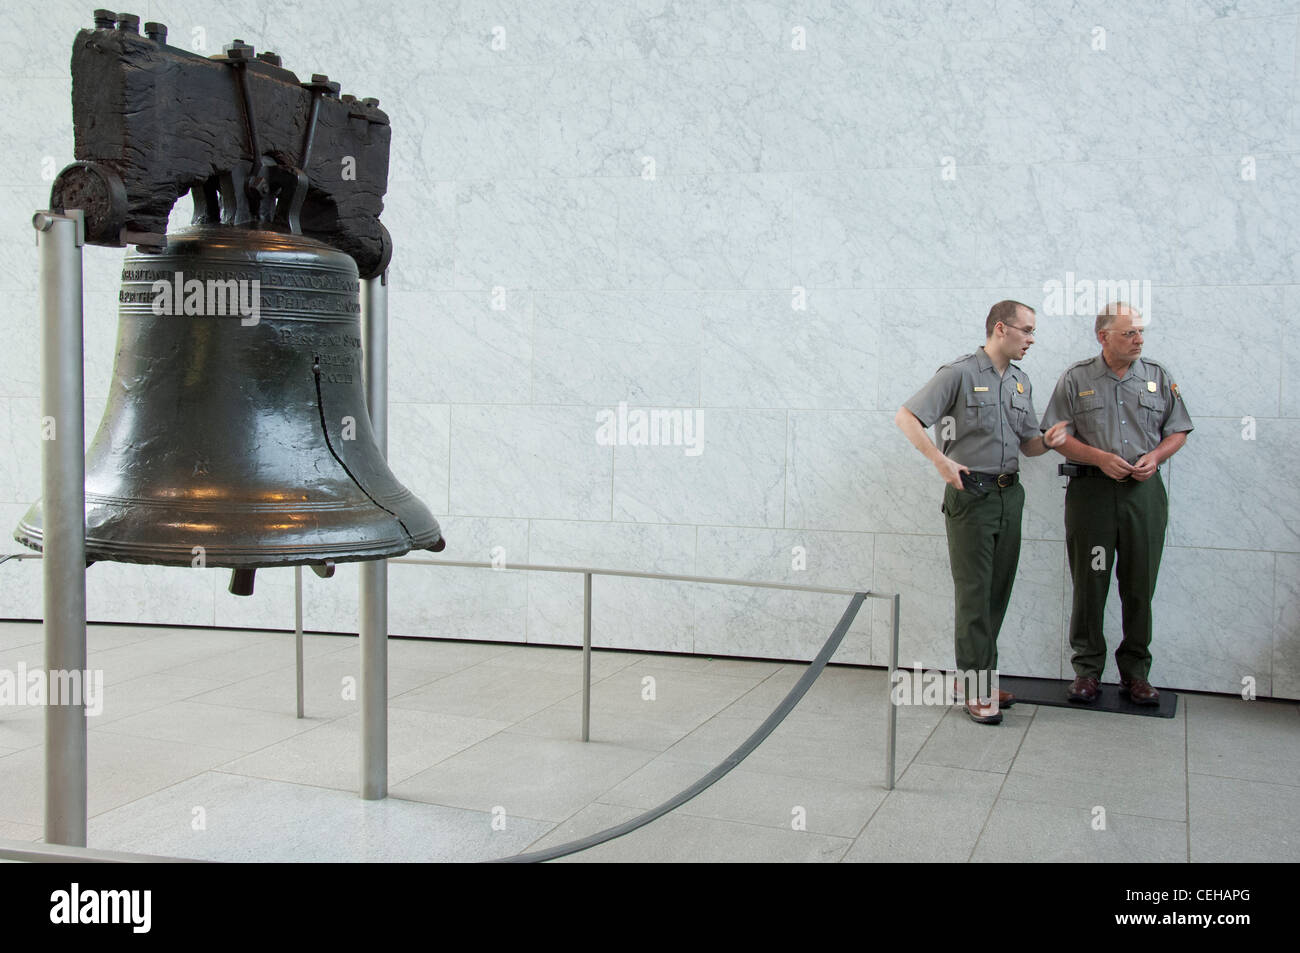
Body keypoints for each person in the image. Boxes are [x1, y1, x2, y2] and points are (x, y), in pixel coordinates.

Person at [895, 300, 1067, 725]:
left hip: (1011, 494)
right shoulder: (958, 373)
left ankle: (974, 678)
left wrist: (1049, 440)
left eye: (1033, 333)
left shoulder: (1020, 383)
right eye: (1026, 331)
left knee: (997, 592)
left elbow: (1029, 443)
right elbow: (906, 416)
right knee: (974, 594)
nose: (1031, 340)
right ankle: (975, 687)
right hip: (970, 494)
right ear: (1000, 328)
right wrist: (939, 459)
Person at [1040, 302, 1192, 706]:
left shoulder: (1157, 376)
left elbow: (1178, 430)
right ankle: (1087, 671)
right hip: (1091, 494)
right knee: (1091, 582)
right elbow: (1055, 435)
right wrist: (1098, 457)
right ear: (1103, 336)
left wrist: (1156, 457)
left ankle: (1136, 673)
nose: (1139, 339)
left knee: (1140, 584)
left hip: (1143, 495)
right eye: (1129, 333)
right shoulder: (1076, 378)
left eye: (1140, 332)